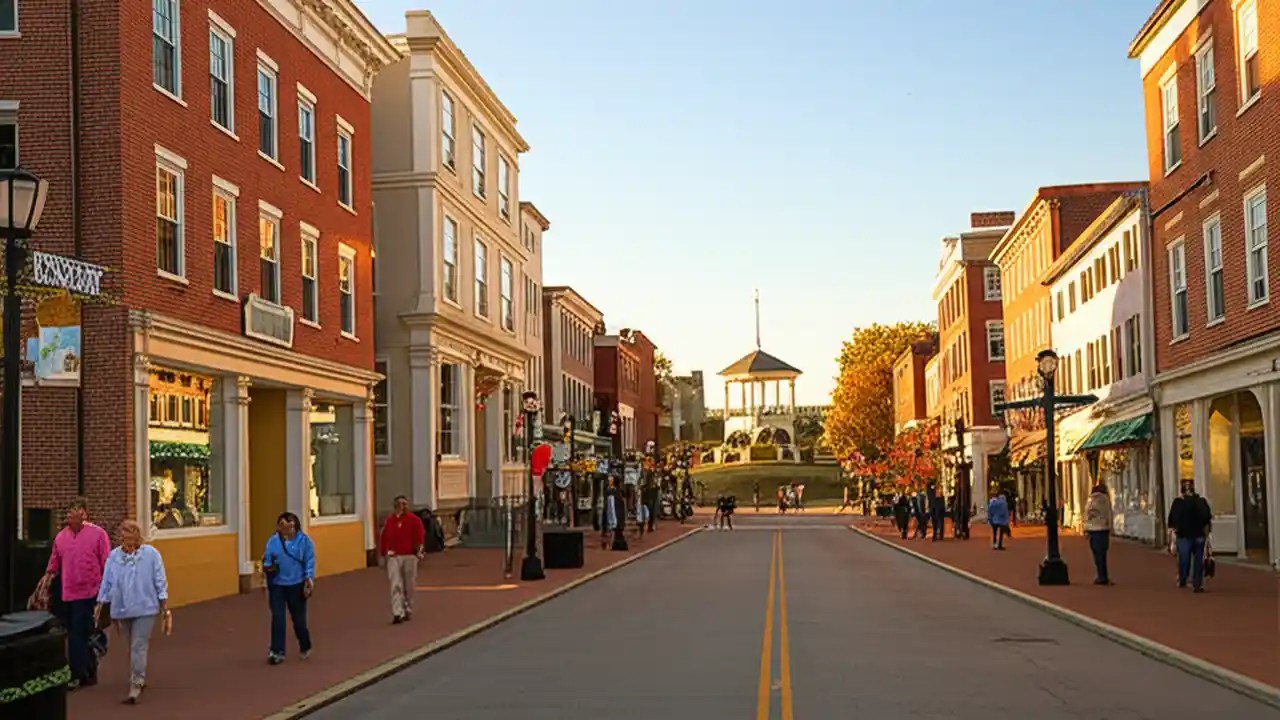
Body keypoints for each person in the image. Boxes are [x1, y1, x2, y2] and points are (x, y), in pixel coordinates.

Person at [95, 519, 171, 704]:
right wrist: (100, 604)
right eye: (122, 535)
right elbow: (107, 581)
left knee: (139, 644)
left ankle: (136, 684)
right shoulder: (114, 556)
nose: (125, 539)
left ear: (137, 536)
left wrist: (164, 606)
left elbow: (159, 579)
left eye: (129, 535)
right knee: (133, 645)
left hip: (146, 606)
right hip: (123, 608)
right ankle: (139, 674)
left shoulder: (151, 555)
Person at [41, 497, 111, 690]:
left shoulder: (98, 535)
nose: (72, 515)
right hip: (67, 593)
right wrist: (45, 583)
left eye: (77, 511)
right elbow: (54, 564)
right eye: (70, 511)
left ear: (85, 514)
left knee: (77, 634)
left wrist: (108, 592)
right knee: (79, 633)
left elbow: (107, 564)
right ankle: (89, 669)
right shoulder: (61, 537)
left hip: (90, 592)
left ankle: (77, 674)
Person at [263, 511, 316, 664]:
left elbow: (309, 561)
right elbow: (267, 558)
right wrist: (268, 567)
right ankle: (276, 651)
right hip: (277, 585)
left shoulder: (304, 542)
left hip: (296, 584)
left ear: (295, 526)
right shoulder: (273, 541)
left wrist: (308, 578)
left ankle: (305, 645)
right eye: (282, 525)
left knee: (299, 620)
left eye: (289, 525)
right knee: (278, 618)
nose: (286, 529)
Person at [380, 495, 425, 624]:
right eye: (400, 504)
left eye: (405, 504)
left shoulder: (414, 520)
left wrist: (418, 552)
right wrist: (384, 554)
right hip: (394, 556)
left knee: (409, 585)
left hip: (410, 556)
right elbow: (384, 538)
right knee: (395, 584)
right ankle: (397, 612)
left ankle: (408, 608)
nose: (403, 507)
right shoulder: (390, 521)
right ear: (395, 506)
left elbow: (420, 537)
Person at [1167, 480, 1213, 592]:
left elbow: (1172, 519)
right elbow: (1207, 518)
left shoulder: (1178, 503)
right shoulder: (1201, 502)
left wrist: (1172, 531)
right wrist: (1207, 534)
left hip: (1183, 535)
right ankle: (1197, 583)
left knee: (1184, 559)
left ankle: (1183, 578)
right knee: (1198, 560)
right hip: (1198, 535)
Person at [1084, 483, 1113, 585]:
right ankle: (1103, 576)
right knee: (1103, 554)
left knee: (1096, 554)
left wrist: (1086, 529)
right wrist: (1110, 527)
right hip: (1103, 529)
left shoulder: (1090, 501)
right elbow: (1109, 514)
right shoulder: (1105, 500)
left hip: (1092, 529)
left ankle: (1100, 575)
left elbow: (1086, 515)